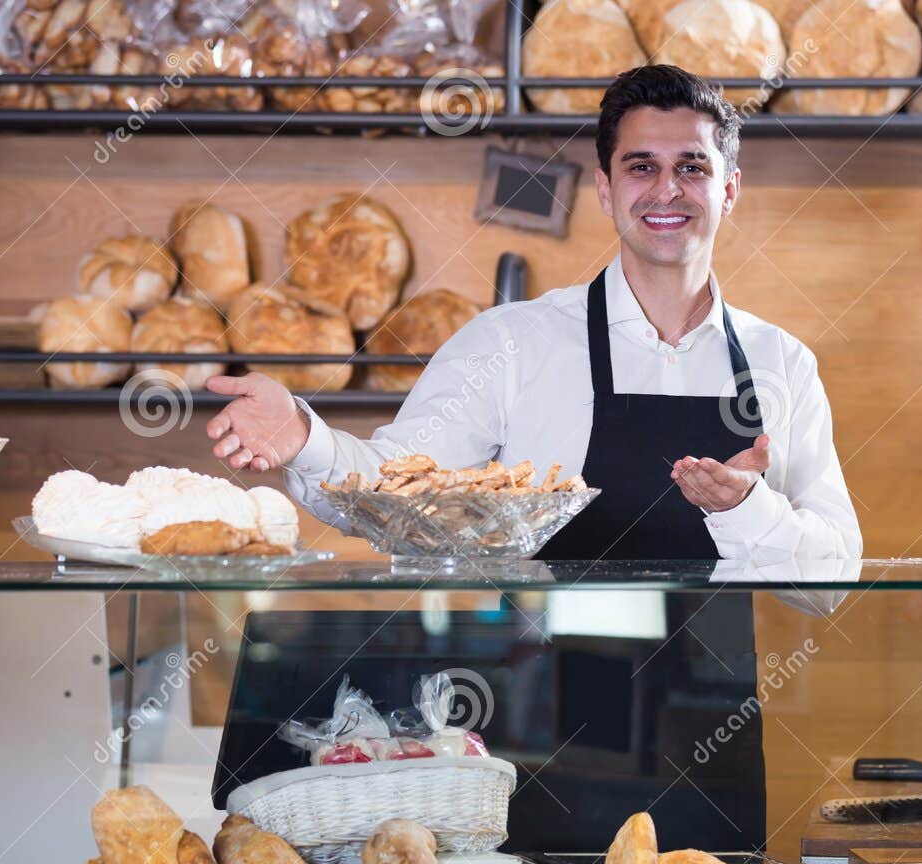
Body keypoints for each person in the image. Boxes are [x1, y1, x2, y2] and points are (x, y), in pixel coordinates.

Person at [204, 64, 861, 564]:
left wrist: (749, 508)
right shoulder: (513, 342)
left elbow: (833, 578)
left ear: (729, 189)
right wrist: (304, 437)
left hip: (718, 723)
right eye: (641, 168)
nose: (666, 189)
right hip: (538, 718)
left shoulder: (782, 363)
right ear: (604, 189)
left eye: (692, 167)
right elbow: (396, 496)